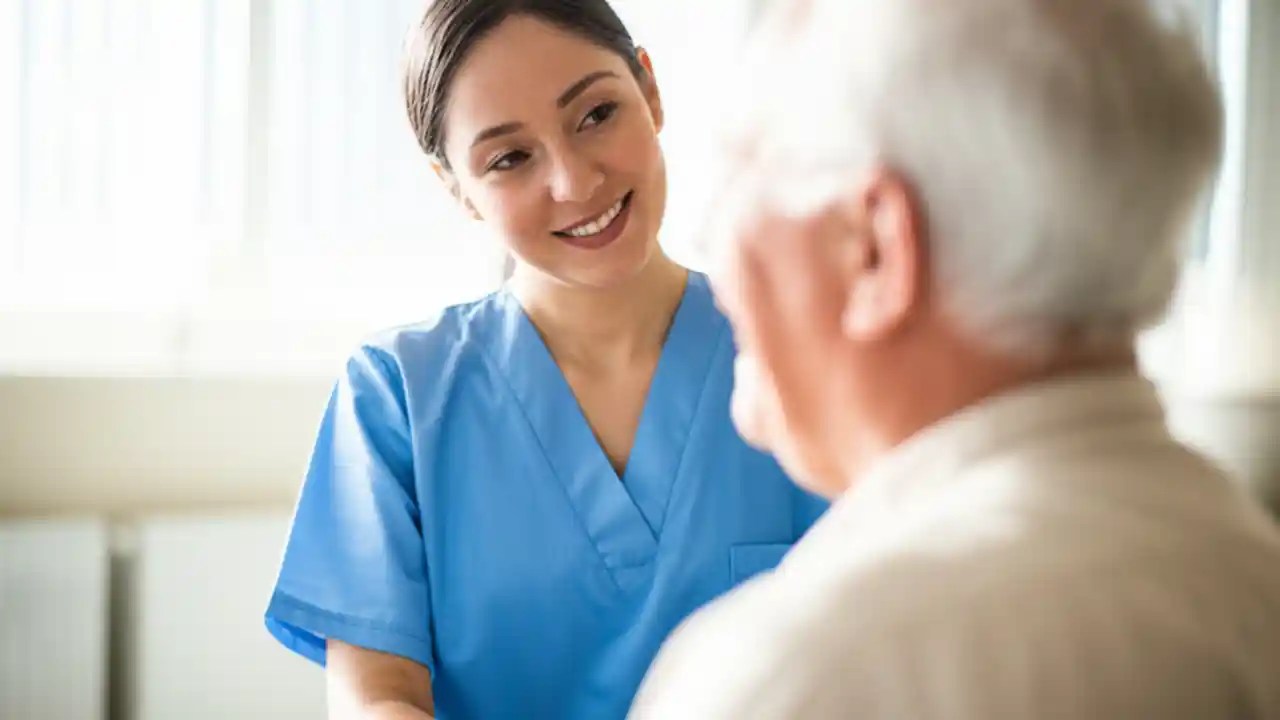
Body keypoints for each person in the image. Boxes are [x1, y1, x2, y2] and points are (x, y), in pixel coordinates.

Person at [630, 0, 1280, 717]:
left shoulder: (797, 676)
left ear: (873, 249)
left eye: (739, 176)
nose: (706, 234)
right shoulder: (1254, 579)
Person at [263, 1, 825, 718]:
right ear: (456, 188)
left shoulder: (802, 348)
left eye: (595, 114)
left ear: (649, 90)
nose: (574, 181)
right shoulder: (397, 397)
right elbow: (379, 700)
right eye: (509, 158)